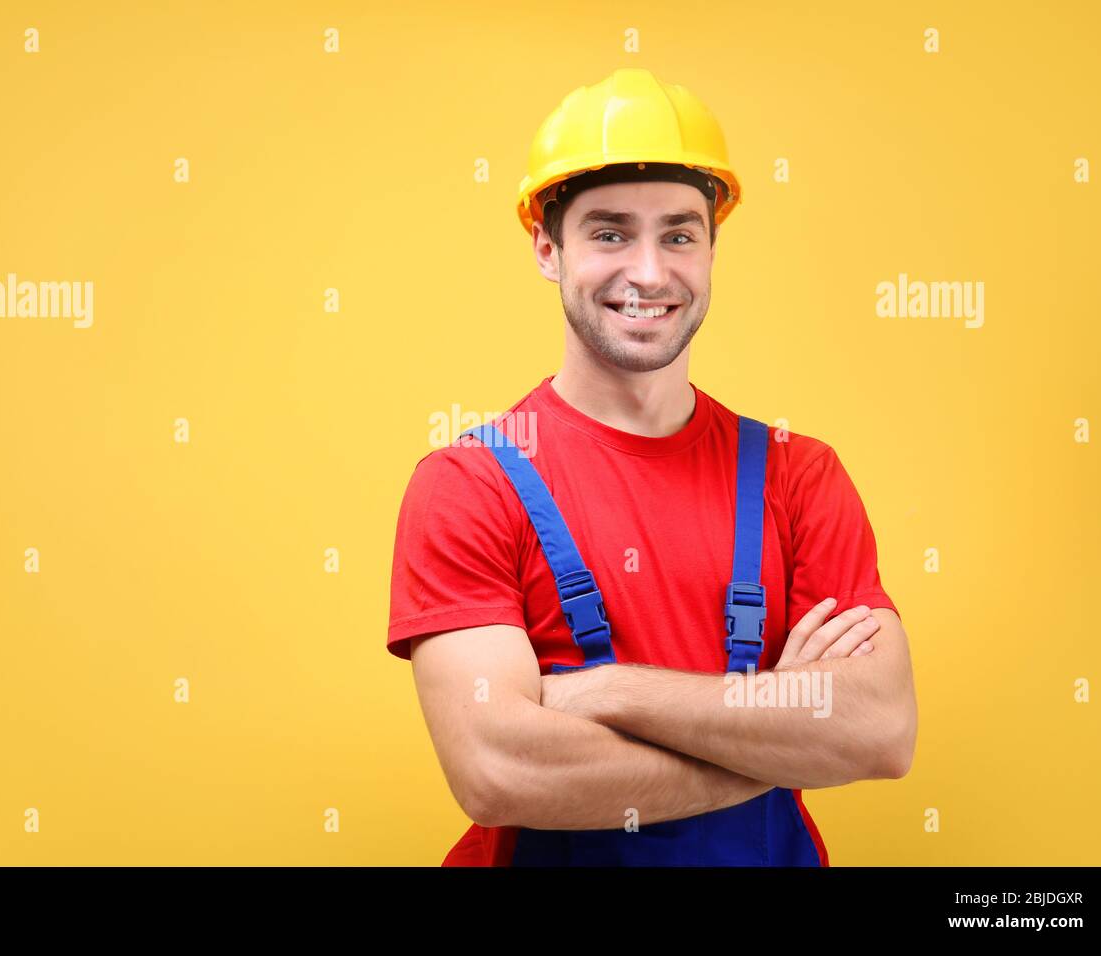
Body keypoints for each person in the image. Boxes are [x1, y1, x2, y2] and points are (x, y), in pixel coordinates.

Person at [386, 68, 917, 866]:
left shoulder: (798, 476)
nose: (649, 272)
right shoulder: (468, 484)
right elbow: (499, 769)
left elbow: (878, 730)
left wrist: (604, 693)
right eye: (608, 233)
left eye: (678, 234)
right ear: (546, 248)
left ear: (711, 248)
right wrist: (780, 737)